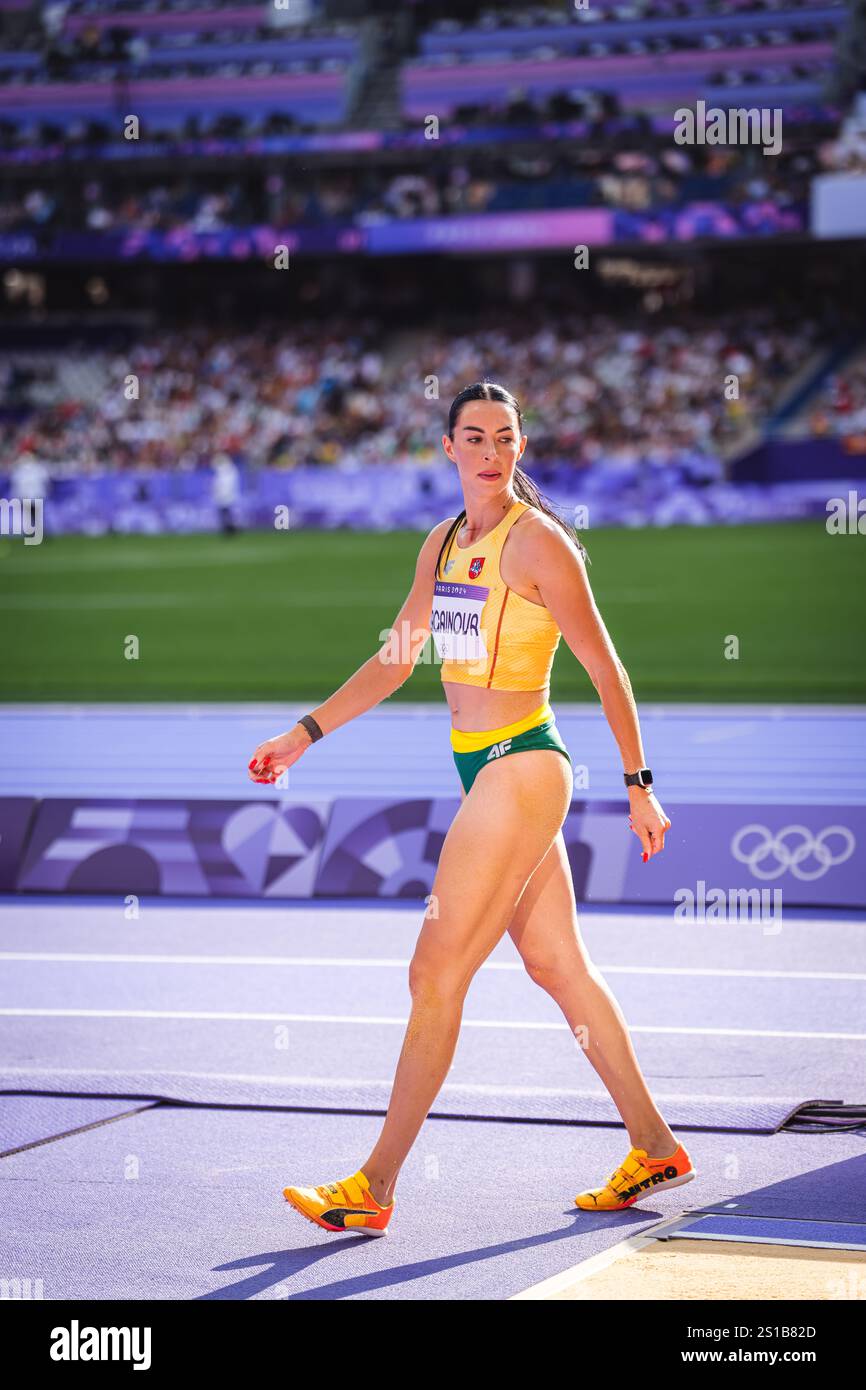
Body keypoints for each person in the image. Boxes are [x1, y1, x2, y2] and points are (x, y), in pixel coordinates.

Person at [248, 381, 693, 1236]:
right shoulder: (445, 542)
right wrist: (305, 733)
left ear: (521, 448)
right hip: (480, 766)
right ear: (447, 448)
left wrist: (639, 785)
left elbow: (607, 669)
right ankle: (655, 1143)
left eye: (506, 438)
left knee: (434, 973)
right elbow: (396, 658)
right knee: (558, 966)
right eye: (475, 437)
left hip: (523, 767)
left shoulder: (541, 546)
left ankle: (374, 1187)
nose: (492, 453)